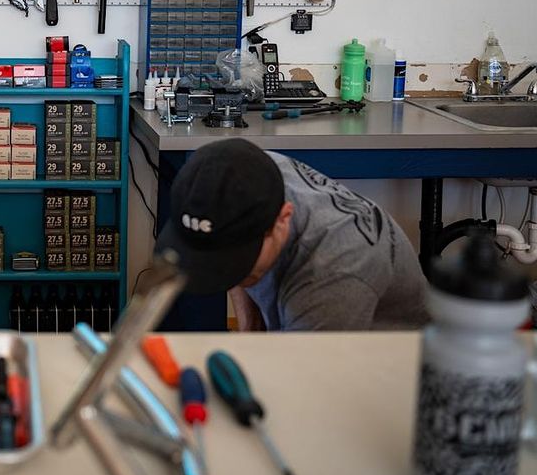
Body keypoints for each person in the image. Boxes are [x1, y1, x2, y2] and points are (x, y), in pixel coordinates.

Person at [157, 139, 428, 331]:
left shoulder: (335, 271)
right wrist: (250, 331)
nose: (226, 271)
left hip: (380, 375)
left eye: (237, 262)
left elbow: (308, 389)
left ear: (282, 219)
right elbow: (228, 242)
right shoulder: (255, 175)